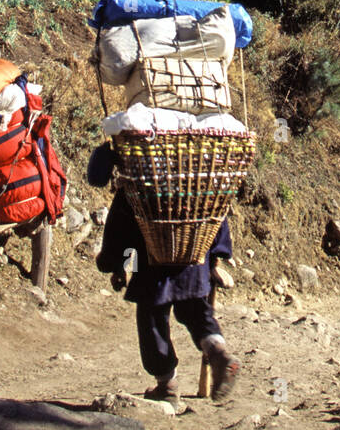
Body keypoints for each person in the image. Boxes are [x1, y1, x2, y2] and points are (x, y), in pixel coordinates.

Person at [89, 142, 241, 402]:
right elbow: (217, 211)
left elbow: (121, 232)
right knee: (195, 310)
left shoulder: (136, 182)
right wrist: (215, 256)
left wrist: (119, 267)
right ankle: (217, 350)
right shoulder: (198, 173)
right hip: (195, 259)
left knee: (152, 321)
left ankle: (166, 384)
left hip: (152, 267)